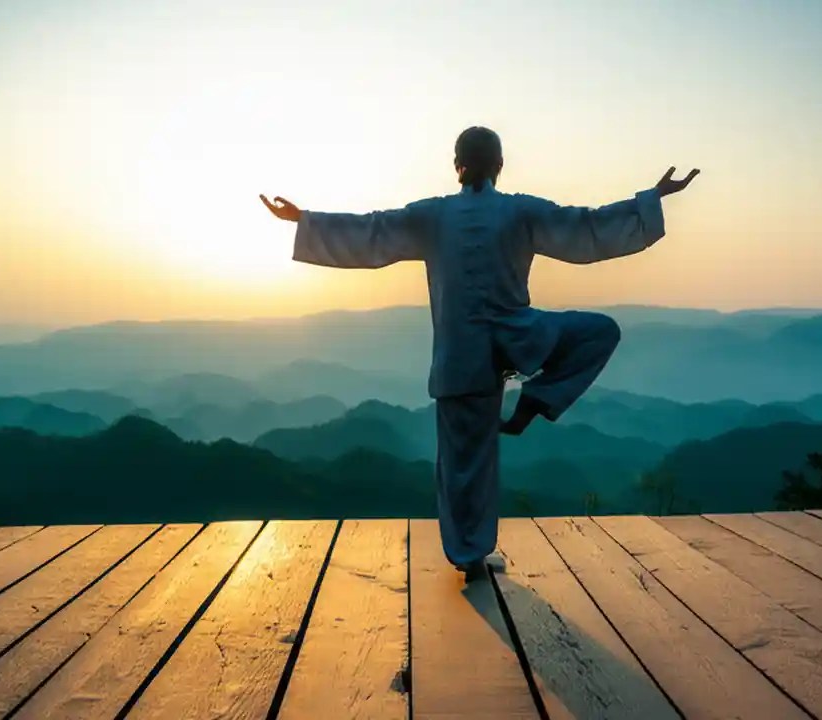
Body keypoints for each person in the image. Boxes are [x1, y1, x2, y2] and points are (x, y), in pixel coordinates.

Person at [260, 126, 699, 581]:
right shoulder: (519, 210)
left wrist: (304, 220)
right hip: (522, 338)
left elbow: (373, 231)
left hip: (461, 358)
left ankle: (470, 555)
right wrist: (652, 199)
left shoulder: (433, 216)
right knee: (599, 332)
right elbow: (587, 226)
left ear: (457, 167)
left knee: (462, 464)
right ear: (500, 166)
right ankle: (535, 401)